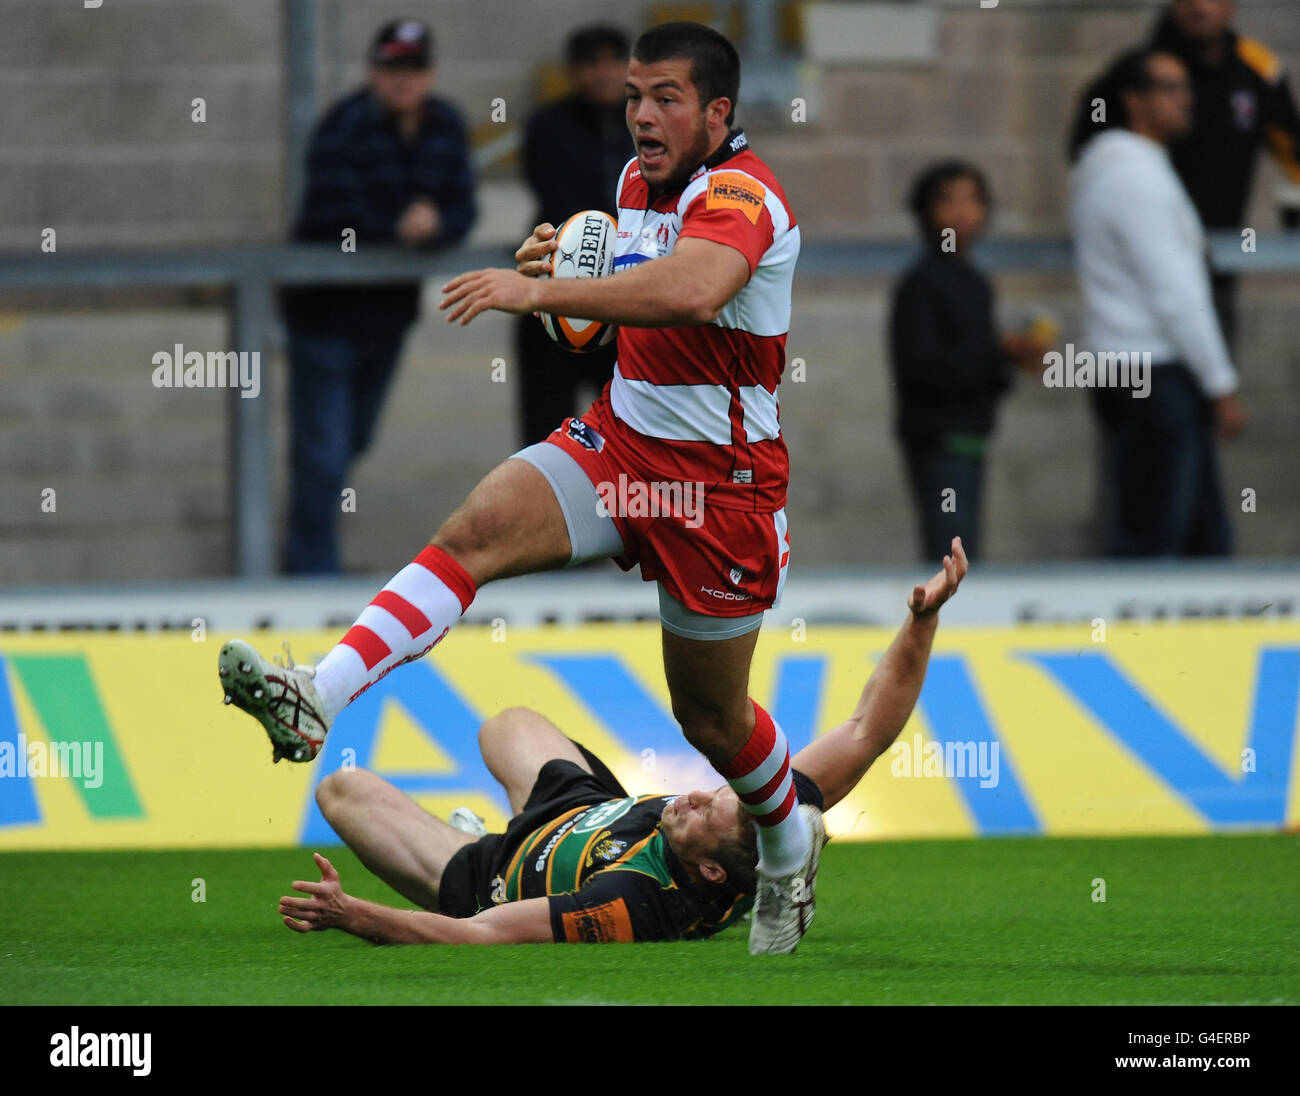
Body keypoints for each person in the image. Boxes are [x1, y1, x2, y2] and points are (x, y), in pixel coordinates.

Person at [221, 23, 814, 955]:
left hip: (719, 492)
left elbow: (693, 291)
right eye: (632, 95)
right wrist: (563, 275)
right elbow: (611, 319)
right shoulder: (627, 187)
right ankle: (317, 694)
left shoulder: (744, 194)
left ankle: (786, 852)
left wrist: (530, 292)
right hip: (622, 446)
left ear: (718, 112)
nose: (642, 115)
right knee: (475, 532)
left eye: (665, 97)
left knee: (712, 718)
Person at [275, 540, 969, 945]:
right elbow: (865, 731)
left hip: (499, 873)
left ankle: (459, 849)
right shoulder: (765, 815)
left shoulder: (637, 902)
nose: (697, 792)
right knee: (505, 723)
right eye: (718, 794)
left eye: (704, 814)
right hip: (586, 808)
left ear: (710, 874)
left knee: (341, 789)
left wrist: (351, 914)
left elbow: (485, 938)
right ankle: (514, 813)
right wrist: (924, 621)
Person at [280, 18, 477, 574]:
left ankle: (307, 559)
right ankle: (309, 579)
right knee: (322, 455)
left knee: (349, 443)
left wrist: (436, 221)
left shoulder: (444, 125)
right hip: (324, 317)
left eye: (413, 68)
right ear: (373, 71)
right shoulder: (343, 125)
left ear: (429, 73)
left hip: (387, 317)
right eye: (392, 68)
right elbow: (329, 213)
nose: (402, 79)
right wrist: (400, 224)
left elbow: (463, 206)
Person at [1070, 47, 1246, 558]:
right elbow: (1177, 294)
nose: (1185, 100)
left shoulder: (1115, 168)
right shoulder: (1134, 177)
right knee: (1156, 538)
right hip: (1152, 371)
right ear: (1134, 101)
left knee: (1197, 534)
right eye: (1170, 88)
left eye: (1185, 87)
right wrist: (1221, 384)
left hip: (1128, 369)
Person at [1067, 0, 1300, 352]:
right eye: (1168, 90)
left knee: (1209, 359)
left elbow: (1292, 151)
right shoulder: (1135, 73)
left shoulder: (1256, 69)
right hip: (1144, 264)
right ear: (1137, 100)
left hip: (1216, 259)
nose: (1200, 6)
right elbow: (1086, 153)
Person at [888, 161, 1049, 563]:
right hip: (940, 440)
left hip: (971, 437)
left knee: (964, 553)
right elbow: (922, 368)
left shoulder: (973, 281)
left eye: (972, 201)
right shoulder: (922, 283)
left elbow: (977, 364)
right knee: (952, 556)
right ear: (925, 211)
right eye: (949, 201)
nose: (962, 213)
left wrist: (1012, 358)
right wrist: (1000, 353)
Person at [516, 25, 635, 447]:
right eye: (590, 63)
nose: (603, 73)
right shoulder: (546, 127)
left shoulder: (644, 125)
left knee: (627, 433)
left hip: (626, 301)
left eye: (612, 61)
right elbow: (562, 204)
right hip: (556, 293)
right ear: (571, 71)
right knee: (547, 436)